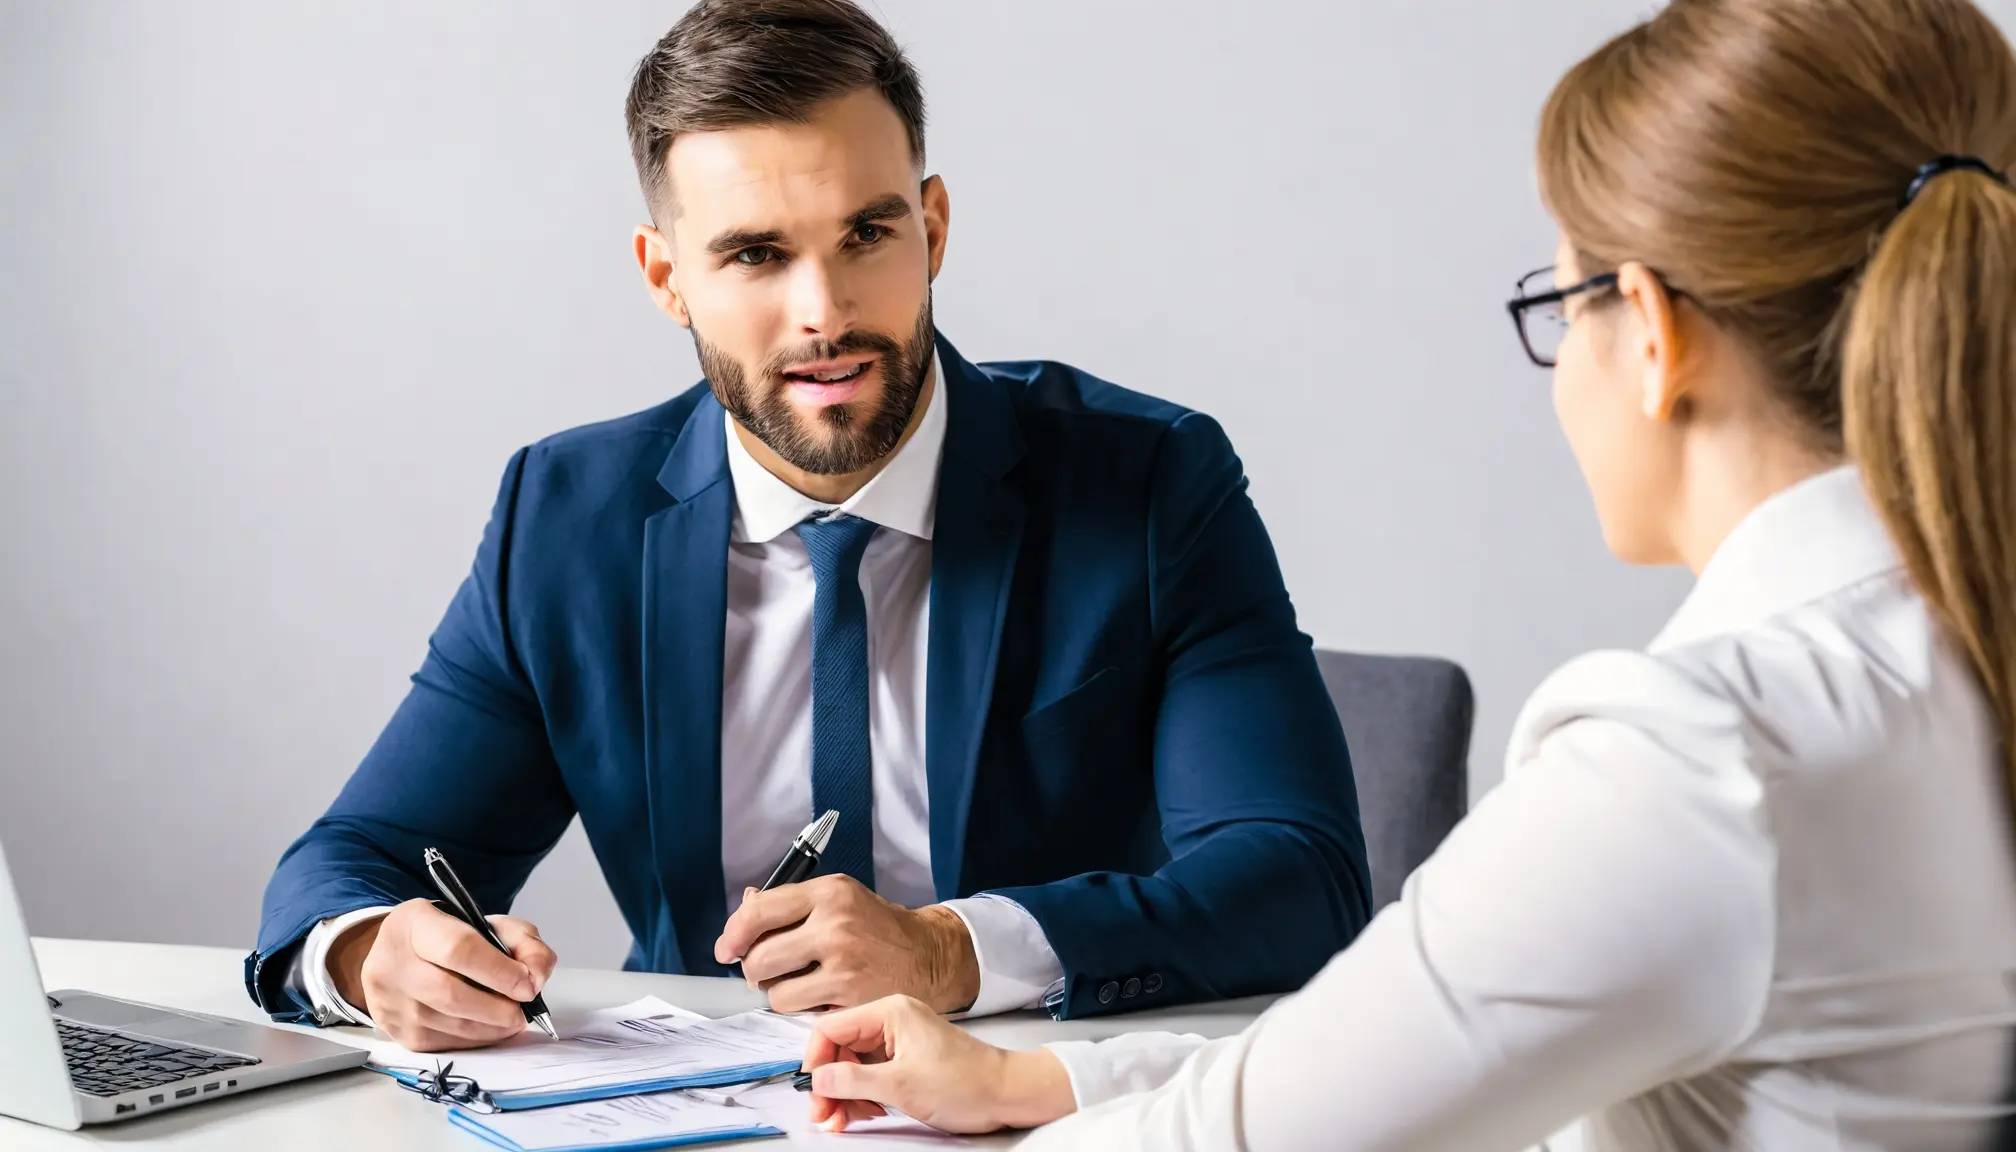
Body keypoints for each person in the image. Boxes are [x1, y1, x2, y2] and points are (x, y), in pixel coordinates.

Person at [796, 0, 2016, 1145]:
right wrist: (1039, 1080)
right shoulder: (1947, 658)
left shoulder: (1701, 763)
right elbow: (1393, 1061)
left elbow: (1242, 1140)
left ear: (1649, 332)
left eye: (1561, 300)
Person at [242, 0, 1372, 1053]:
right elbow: (351, 864)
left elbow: (1300, 877)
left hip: (1039, 1095)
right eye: (754, 255)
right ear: (666, 277)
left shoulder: (1150, 482)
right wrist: (370, 954)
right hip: (696, 1104)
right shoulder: (567, 517)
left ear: (931, 227)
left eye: (867, 234)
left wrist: (949, 951)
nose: (823, 311)